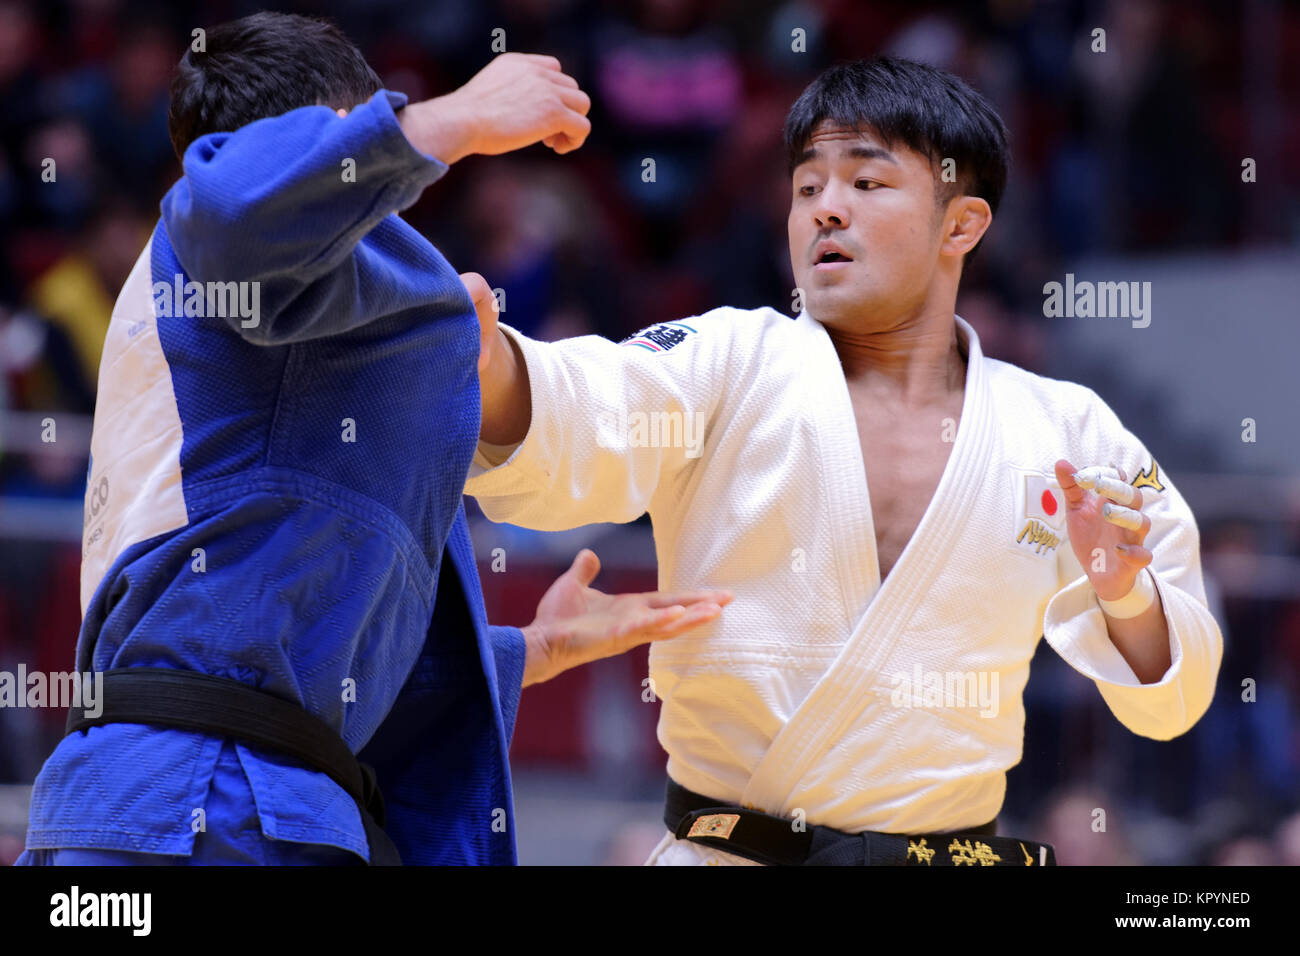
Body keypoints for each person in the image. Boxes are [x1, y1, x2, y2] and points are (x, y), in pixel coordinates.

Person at [466, 56, 1224, 866]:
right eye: (805, 189)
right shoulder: (730, 359)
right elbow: (580, 405)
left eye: (866, 184)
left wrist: (1121, 592)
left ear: (960, 225)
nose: (826, 210)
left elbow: (1171, 695)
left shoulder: (1067, 430)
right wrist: (486, 362)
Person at [18, 12, 729, 867]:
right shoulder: (220, 235)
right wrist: (453, 117)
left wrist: (536, 650)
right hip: (206, 801)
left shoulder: (251, 360)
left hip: (173, 800)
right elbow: (244, 208)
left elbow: (311, 634)